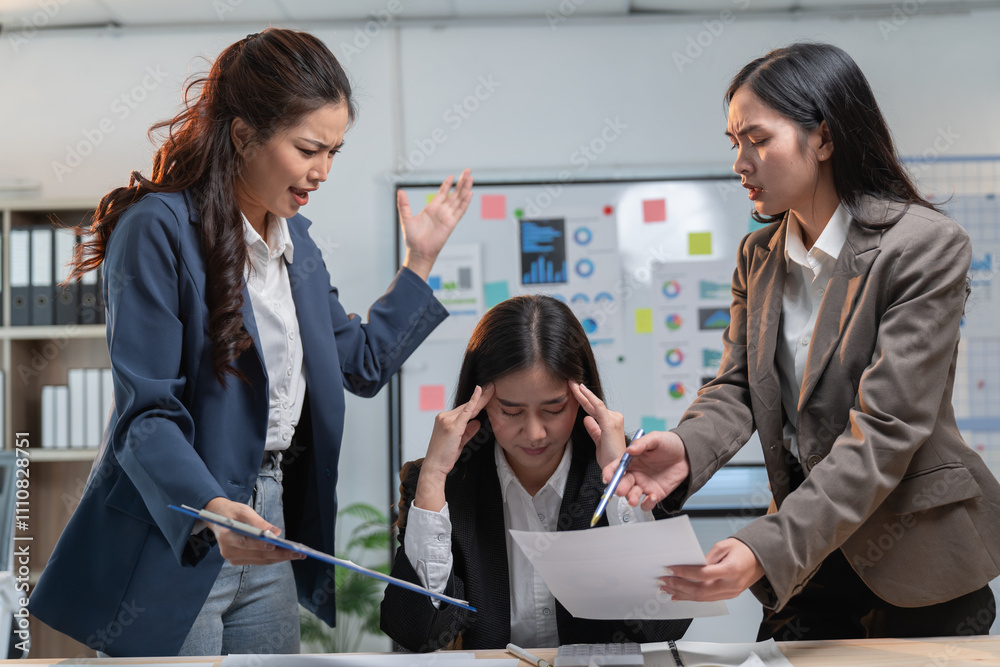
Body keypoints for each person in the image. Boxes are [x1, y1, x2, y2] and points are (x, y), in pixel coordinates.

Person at [29, 28, 473, 657]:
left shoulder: (299, 246)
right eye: (308, 149)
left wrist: (419, 261)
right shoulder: (157, 230)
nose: (321, 172)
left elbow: (361, 362)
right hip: (179, 527)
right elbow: (146, 416)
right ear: (243, 135)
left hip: (270, 525)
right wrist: (210, 507)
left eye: (334, 152)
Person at [605, 42, 1000, 641]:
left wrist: (764, 547)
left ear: (823, 138)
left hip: (917, 561)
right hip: (809, 561)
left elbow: (888, 428)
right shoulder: (757, 256)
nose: (740, 161)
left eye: (758, 139)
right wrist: (686, 448)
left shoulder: (922, 246)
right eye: (734, 142)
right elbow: (738, 383)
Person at [380, 295, 691, 650]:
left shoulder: (635, 467)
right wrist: (434, 476)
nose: (534, 433)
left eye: (554, 408)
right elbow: (415, 633)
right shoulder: (444, 484)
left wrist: (620, 483)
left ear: (583, 395)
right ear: (477, 403)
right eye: (511, 411)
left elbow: (665, 626)